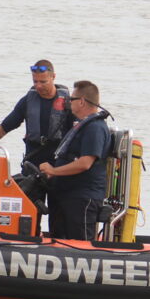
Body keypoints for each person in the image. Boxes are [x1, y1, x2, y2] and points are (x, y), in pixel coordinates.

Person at [39, 80, 110, 240]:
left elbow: (85, 163)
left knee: (80, 243)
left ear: (82, 101)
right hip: (66, 195)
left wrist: (54, 171)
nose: (68, 102)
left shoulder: (95, 128)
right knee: (60, 239)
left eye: (72, 99)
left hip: (82, 197)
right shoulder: (81, 125)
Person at [0, 60, 74, 173]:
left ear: (53, 77)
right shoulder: (27, 101)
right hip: (32, 161)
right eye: (35, 81)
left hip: (58, 163)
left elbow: (80, 133)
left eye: (43, 82)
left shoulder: (68, 103)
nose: (38, 86)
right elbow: (4, 127)